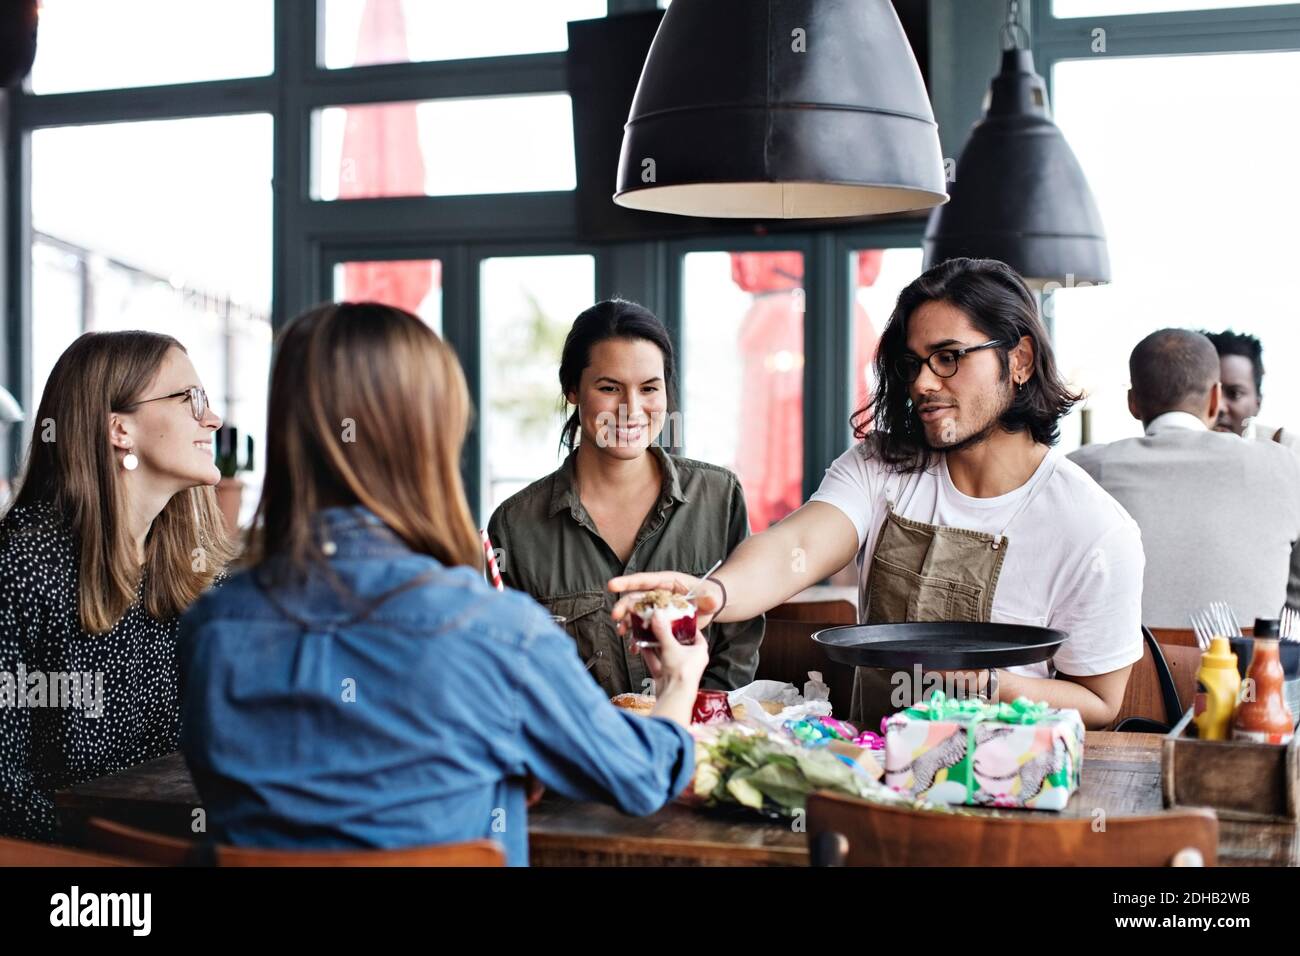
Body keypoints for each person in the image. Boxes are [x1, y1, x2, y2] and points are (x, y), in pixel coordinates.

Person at [179, 302, 704, 866]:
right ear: (430, 435)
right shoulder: (499, 633)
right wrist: (677, 679)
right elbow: (645, 778)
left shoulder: (213, 627)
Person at [611, 258, 1145, 731]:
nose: (923, 384)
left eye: (949, 357)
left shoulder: (1094, 529)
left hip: (1002, 781)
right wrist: (715, 594)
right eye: (913, 364)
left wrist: (983, 685)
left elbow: (1098, 701)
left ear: (1020, 359)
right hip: (868, 769)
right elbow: (794, 546)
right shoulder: (881, 467)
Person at [0, 331, 232, 841]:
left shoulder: (190, 572)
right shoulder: (21, 566)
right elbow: (5, 795)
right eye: (189, 399)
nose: (212, 419)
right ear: (119, 429)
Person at [488, 298, 762, 697]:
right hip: (576, 750)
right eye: (609, 388)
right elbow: (511, 666)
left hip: (700, 744)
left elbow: (738, 648)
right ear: (572, 390)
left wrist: (690, 730)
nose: (632, 409)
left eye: (649, 388)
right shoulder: (515, 526)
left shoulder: (719, 498)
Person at [1069, 329, 1300, 627]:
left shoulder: (1081, 471)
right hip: (1247, 668)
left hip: (1122, 671)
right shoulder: (1284, 465)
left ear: (1132, 403)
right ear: (1215, 399)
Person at [1204, 329, 1300, 453]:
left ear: (1258, 403)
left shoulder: (1290, 450)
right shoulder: (1173, 447)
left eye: (1235, 394)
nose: (1220, 406)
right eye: (1208, 392)